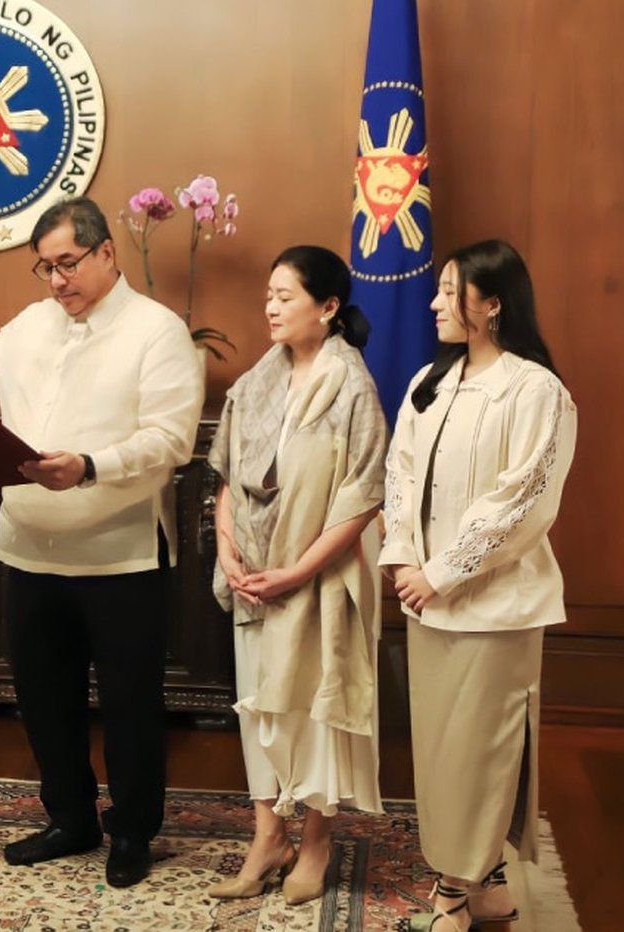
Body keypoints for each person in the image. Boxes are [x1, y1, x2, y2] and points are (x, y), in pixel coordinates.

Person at [0, 199, 204, 887]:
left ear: (108, 252)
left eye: (68, 264)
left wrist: (88, 464)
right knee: (44, 698)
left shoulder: (157, 332)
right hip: (27, 549)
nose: (56, 281)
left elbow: (172, 439)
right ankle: (69, 818)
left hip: (120, 555)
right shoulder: (32, 324)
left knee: (130, 704)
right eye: (44, 268)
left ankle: (133, 830)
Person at [379, 240, 576, 931]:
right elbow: (400, 476)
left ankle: (453, 894)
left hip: (496, 611)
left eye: (449, 290)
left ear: (491, 304)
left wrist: (441, 573)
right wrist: (405, 560)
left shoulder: (536, 391)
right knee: (439, 754)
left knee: (484, 752)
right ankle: (485, 878)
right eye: (437, 289)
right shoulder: (427, 386)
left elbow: (521, 503)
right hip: (427, 605)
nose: (434, 302)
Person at [206, 246, 387, 904]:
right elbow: (226, 473)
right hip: (254, 574)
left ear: (329, 307)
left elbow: (363, 499)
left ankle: (314, 843)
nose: (272, 307)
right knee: (259, 707)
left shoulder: (353, 387)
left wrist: (296, 573)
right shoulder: (257, 380)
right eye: (268, 296)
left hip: (318, 577)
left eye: (286, 296)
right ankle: (267, 837)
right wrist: (230, 552)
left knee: (315, 713)